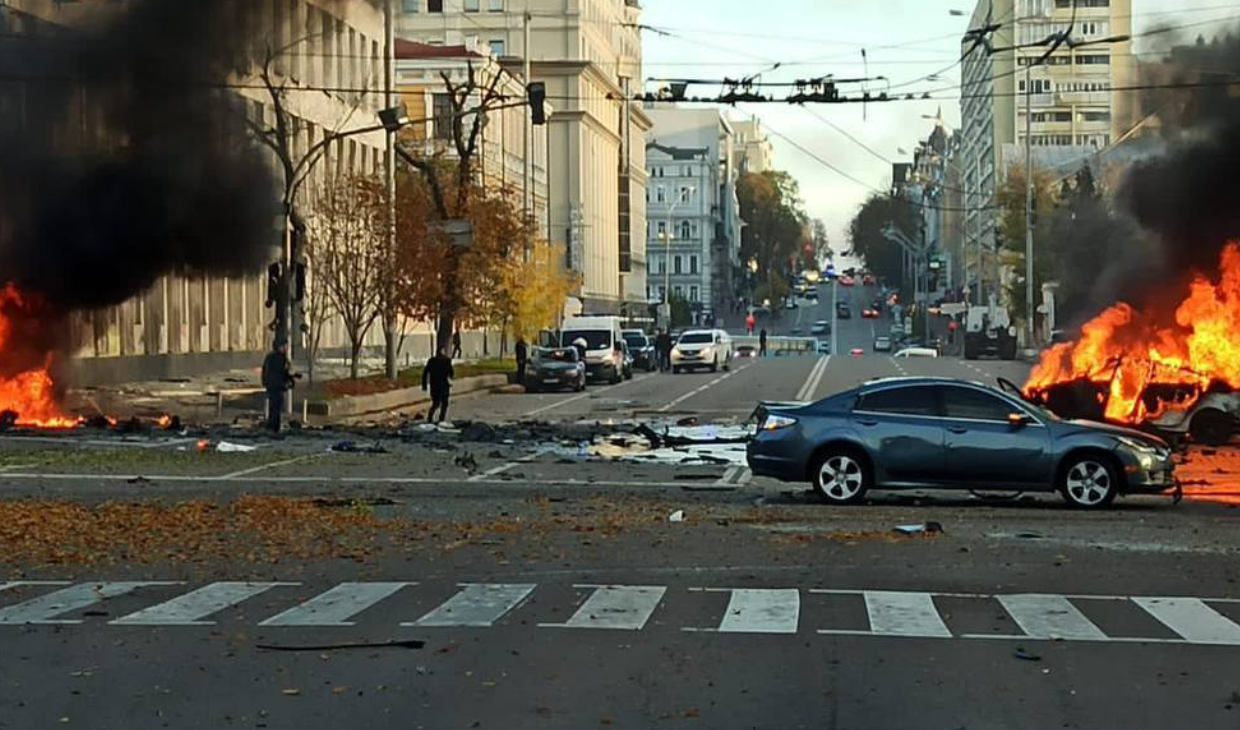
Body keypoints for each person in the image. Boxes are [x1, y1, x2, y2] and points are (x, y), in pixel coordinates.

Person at [261, 339, 295, 433]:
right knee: (276, 409)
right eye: (285, 346)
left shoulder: (269, 357)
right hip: (277, 387)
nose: (287, 348)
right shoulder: (280, 359)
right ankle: (274, 428)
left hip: (271, 386)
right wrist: (289, 381)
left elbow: (265, 372)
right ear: (280, 347)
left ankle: (271, 427)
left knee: (273, 408)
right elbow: (283, 373)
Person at [422, 348, 455, 423]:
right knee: (444, 403)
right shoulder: (446, 361)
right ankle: (441, 419)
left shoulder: (432, 361)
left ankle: (430, 417)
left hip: (434, 386)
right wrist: (450, 378)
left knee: (436, 403)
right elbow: (451, 373)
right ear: (443, 352)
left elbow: (425, 373)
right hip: (444, 386)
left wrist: (424, 385)